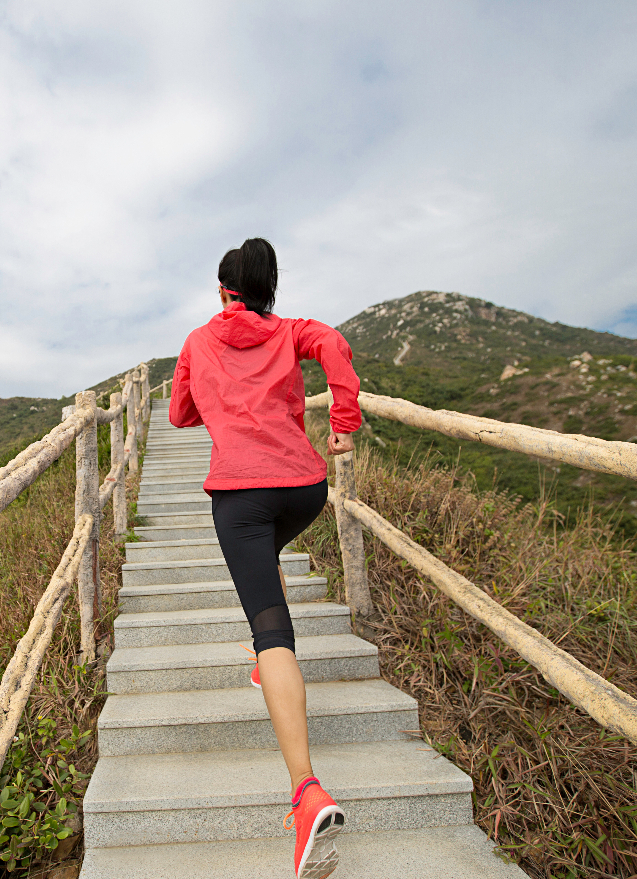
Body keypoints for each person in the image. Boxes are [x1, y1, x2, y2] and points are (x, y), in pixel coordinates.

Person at [168, 237, 362, 879]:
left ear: (223, 290)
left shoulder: (199, 341)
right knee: (268, 558)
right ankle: (263, 666)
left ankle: (306, 792)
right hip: (304, 489)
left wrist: (213, 400)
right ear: (268, 288)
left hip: (242, 497)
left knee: (270, 628)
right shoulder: (291, 332)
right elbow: (333, 343)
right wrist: (342, 419)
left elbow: (178, 414)